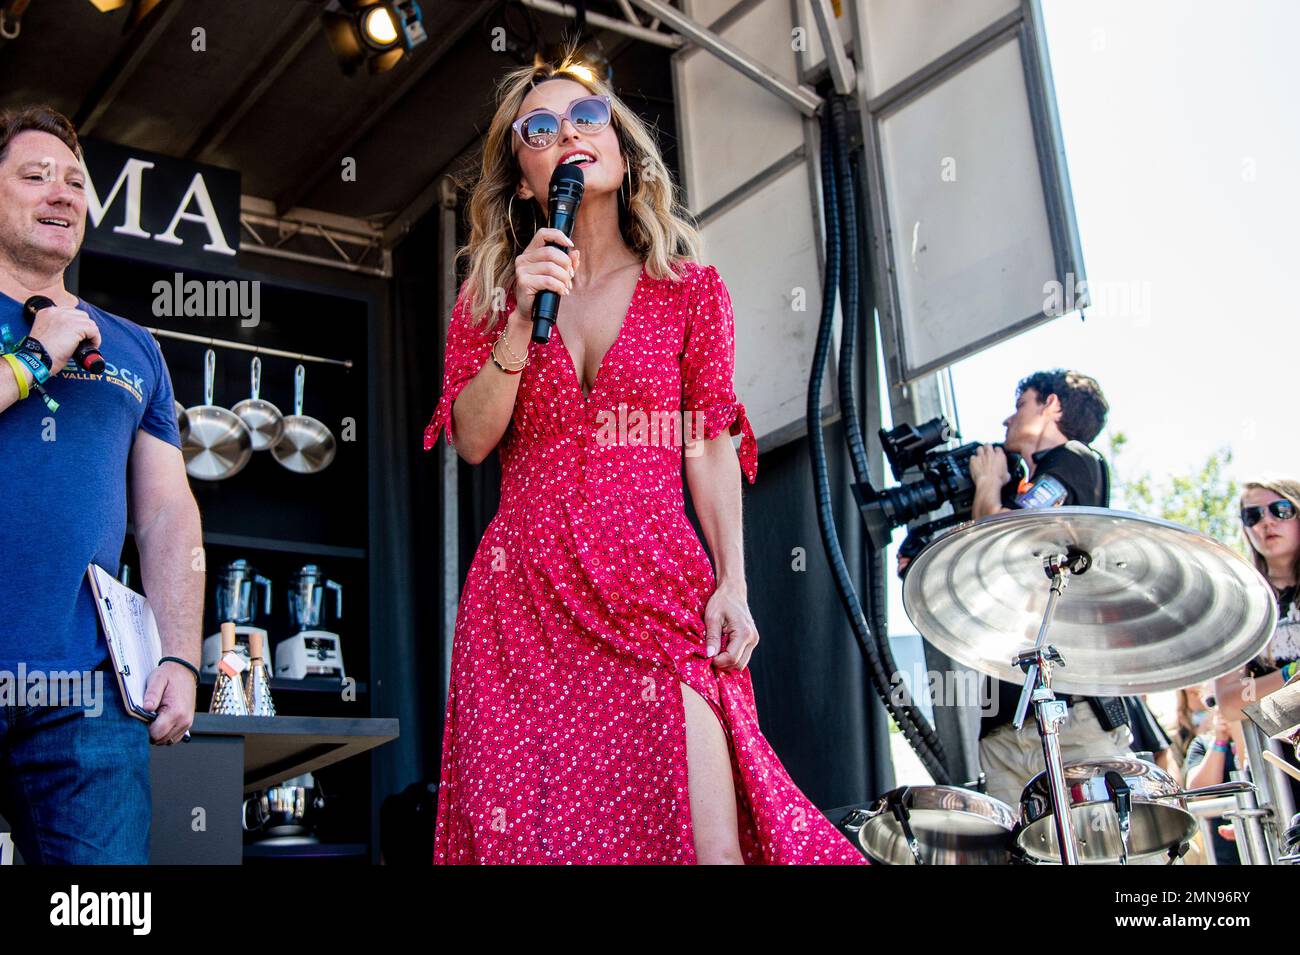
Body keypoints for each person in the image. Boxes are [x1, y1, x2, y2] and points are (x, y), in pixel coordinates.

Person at [422, 55, 864, 864]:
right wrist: (520, 320)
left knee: (707, 841)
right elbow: (473, 438)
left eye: (588, 117)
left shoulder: (690, 290)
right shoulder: (491, 298)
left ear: (621, 149)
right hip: (522, 604)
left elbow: (708, 443)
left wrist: (733, 580)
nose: (570, 135)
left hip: (654, 586)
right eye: (541, 129)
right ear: (523, 180)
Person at [0, 106, 202, 863]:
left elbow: (166, 514)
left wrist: (180, 655)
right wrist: (32, 355)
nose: (62, 192)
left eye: (76, 182)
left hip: (86, 690)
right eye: (35, 175)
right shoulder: (53, 339)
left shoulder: (132, 346)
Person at [964, 370, 1138, 806]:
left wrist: (987, 482)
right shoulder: (1027, 483)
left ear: (1052, 406)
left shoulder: (1076, 460)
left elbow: (1007, 532)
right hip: (1004, 723)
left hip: (1070, 710)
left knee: (1097, 840)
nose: (1007, 419)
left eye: (1021, 404)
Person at [1212, 478, 1300, 808]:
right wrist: (1293, 672)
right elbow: (1233, 701)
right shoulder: (1239, 606)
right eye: (1253, 515)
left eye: (1280, 510)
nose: (1266, 522)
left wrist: (1267, 691)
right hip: (1278, 771)